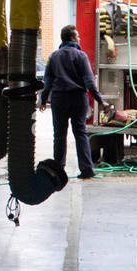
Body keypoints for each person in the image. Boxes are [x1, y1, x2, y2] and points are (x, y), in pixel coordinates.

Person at [39, 25, 113, 179]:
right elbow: (89, 82)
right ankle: (87, 169)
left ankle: (58, 170)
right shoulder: (81, 56)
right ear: (73, 38)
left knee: (59, 135)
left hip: (59, 99)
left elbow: (48, 82)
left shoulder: (53, 57)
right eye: (77, 36)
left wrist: (43, 99)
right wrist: (101, 101)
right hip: (78, 98)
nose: (79, 38)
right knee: (80, 133)